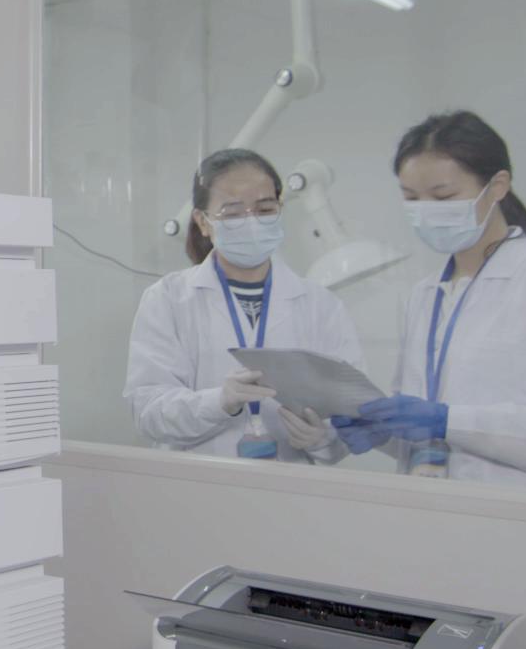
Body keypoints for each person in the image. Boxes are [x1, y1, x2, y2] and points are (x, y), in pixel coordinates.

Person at [333, 112, 526, 489]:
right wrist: (383, 431)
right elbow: (429, 434)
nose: (426, 210)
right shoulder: (424, 295)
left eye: (443, 196)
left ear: (497, 186)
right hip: (427, 506)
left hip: (518, 513)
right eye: (411, 198)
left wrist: (446, 420)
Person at [126, 148, 365, 462]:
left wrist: (324, 440)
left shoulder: (322, 305)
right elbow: (148, 412)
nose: (251, 222)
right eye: (233, 213)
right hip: (198, 481)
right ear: (202, 222)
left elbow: (352, 409)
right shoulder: (168, 299)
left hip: (292, 484)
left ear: (279, 210)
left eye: (264, 209)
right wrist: (219, 402)